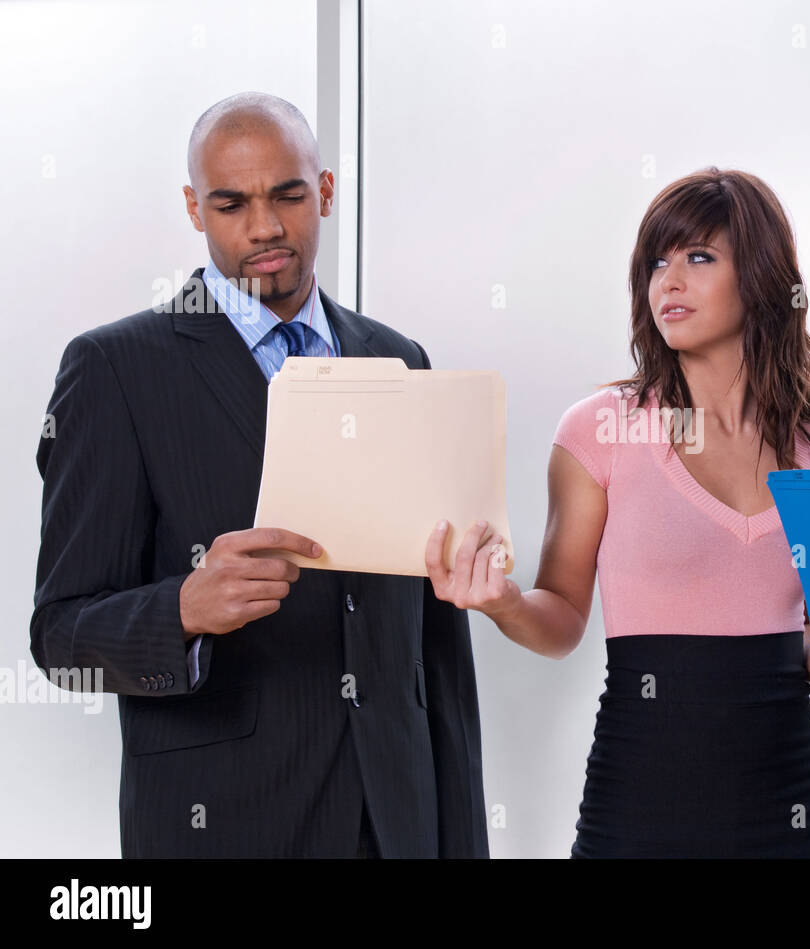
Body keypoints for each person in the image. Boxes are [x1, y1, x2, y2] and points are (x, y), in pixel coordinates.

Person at [30, 92, 488, 858]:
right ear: (193, 208)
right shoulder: (114, 369)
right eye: (232, 203)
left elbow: (438, 647)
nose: (265, 227)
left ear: (327, 191)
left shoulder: (398, 359)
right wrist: (183, 608)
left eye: (288, 195)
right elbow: (59, 637)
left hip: (397, 821)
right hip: (224, 825)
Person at [427, 167, 810, 858]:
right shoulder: (599, 430)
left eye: (698, 257)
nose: (670, 281)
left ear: (762, 276)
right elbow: (562, 617)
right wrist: (503, 601)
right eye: (657, 262)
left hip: (790, 818)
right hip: (635, 814)